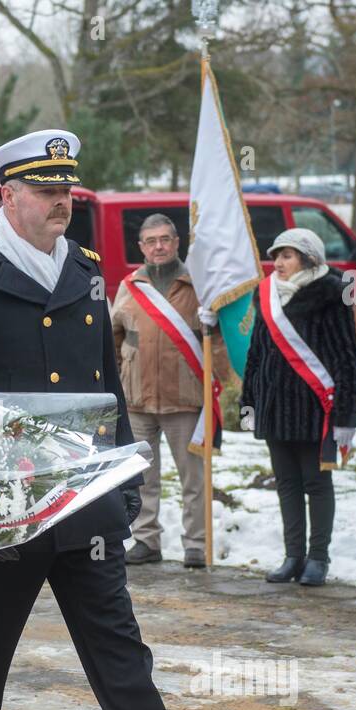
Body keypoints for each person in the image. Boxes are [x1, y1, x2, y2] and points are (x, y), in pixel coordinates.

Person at [0, 130, 237, 710]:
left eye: (66, 192)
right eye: (46, 191)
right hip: (7, 504)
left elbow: (105, 388)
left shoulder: (87, 269)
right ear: (9, 195)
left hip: (84, 499)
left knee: (119, 645)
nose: (61, 203)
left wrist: (124, 472)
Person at [240, 228, 356, 587]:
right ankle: (293, 556)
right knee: (287, 483)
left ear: (309, 259)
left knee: (316, 482)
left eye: (287, 255)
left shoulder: (332, 294)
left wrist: (345, 414)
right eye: (276, 255)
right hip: (275, 406)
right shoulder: (266, 295)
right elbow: (256, 353)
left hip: (316, 409)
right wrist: (249, 402)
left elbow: (347, 358)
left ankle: (318, 558)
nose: (278, 262)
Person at [111, 213, 228, 568]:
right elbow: (114, 336)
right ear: (141, 247)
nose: (158, 246)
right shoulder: (130, 286)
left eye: (165, 239)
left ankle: (196, 544)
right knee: (142, 479)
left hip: (185, 399)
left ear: (177, 242)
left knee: (194, 479)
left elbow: (220, 347)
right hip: (138, 401)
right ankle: (146, 540)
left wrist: (215, 325)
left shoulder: (198, 287)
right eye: (151, 241)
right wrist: (121, 374)